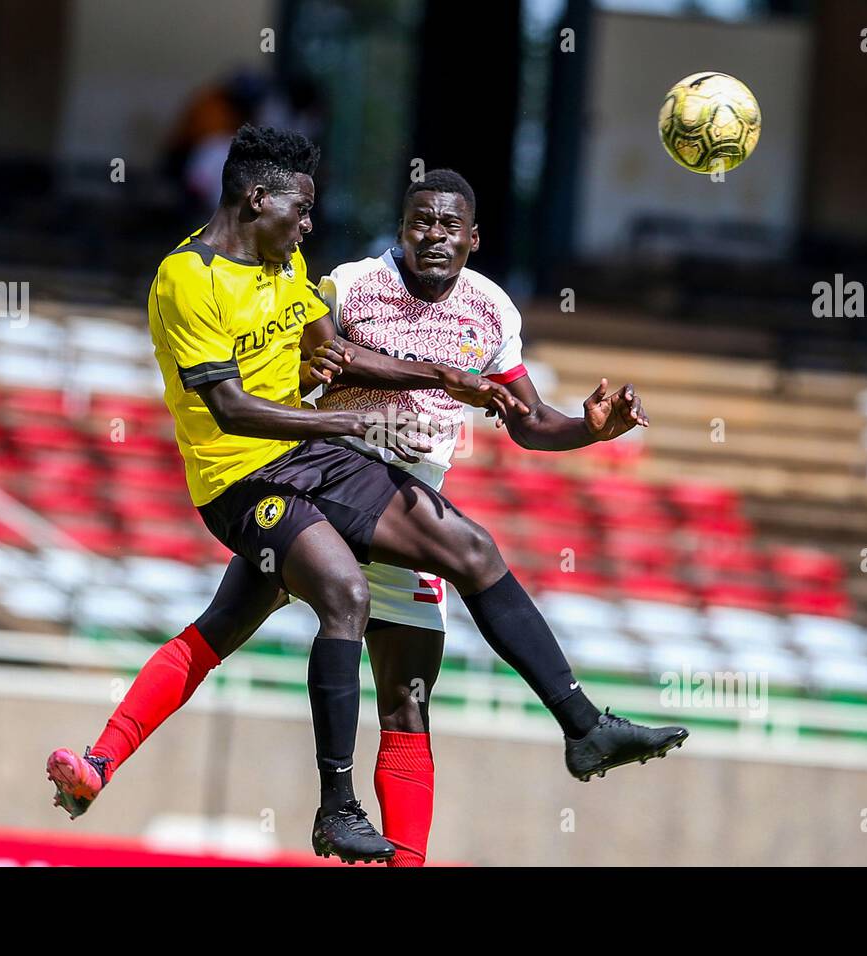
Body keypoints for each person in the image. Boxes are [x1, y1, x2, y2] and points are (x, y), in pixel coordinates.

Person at [48, 128, 688, 864]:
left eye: (450, 224)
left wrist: (580, 427)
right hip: (265, 476)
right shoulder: (290, 281)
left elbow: (512, 414)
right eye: (420, 220)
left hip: (352, 476)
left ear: (475, 238)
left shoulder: (454, 302)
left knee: (432, 634)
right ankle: (328, 805)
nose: (433, 235)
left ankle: (584, 728)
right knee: (311, 604)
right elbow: (245, 399)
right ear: (261, 200)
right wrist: (362, 416)